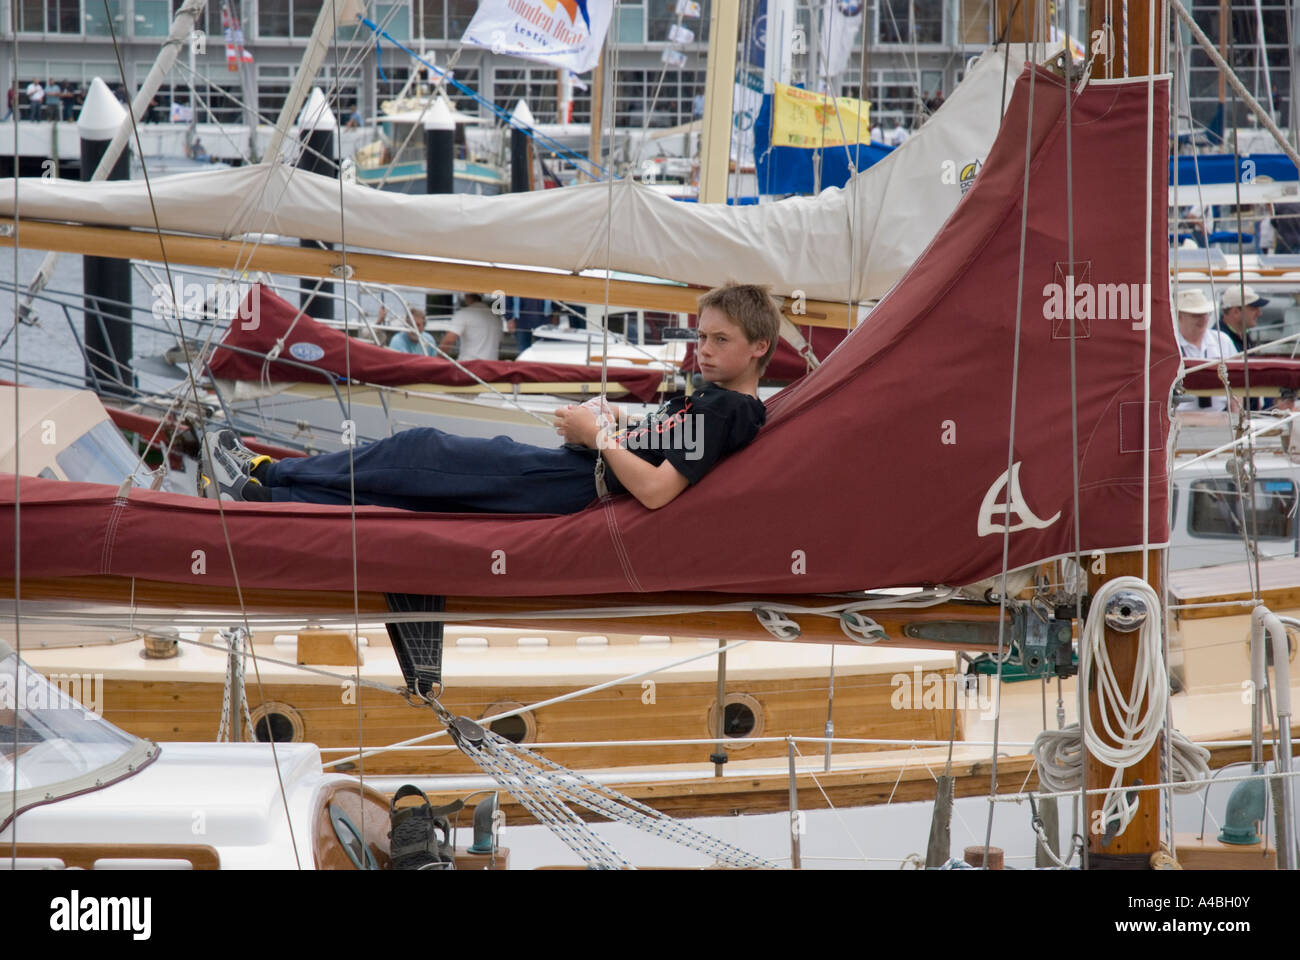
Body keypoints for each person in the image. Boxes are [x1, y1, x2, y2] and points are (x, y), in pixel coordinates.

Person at [200, 282, 779, 514]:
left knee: (420, 453)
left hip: (571, 481)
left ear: (758, 347)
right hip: (568, 472)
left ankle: (269, 477)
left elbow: (656, 491)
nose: (702, 350)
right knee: (415, 476)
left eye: (719, 340)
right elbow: (669, 448)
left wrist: (594, 435)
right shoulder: (721, 402)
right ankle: (267, 486)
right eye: (700, 336)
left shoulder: (727, 407)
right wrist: (622, 420)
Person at [1174, 288, 1234, 412]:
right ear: (1179, 316)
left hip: (1221, 416)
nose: (1203, 319)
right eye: (1196, 315)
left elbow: (1236, 384)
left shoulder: (1222, 340)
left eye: (1206, 313)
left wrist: (1236, 418)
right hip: (1180, 417)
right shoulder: (1170, 345)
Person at [442, 293, 503, 361]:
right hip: (491, 365)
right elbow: (499, 344)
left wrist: (438, 358)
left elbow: (449, 340)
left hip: (468, 365)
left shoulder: (463, 314)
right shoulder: (496, 317)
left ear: (466, 295)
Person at [1219, 285, 1268, 354]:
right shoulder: (1218, 341)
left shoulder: (1242, 335)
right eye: (1253, 308)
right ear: (1236, 312)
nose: (1259, 313)